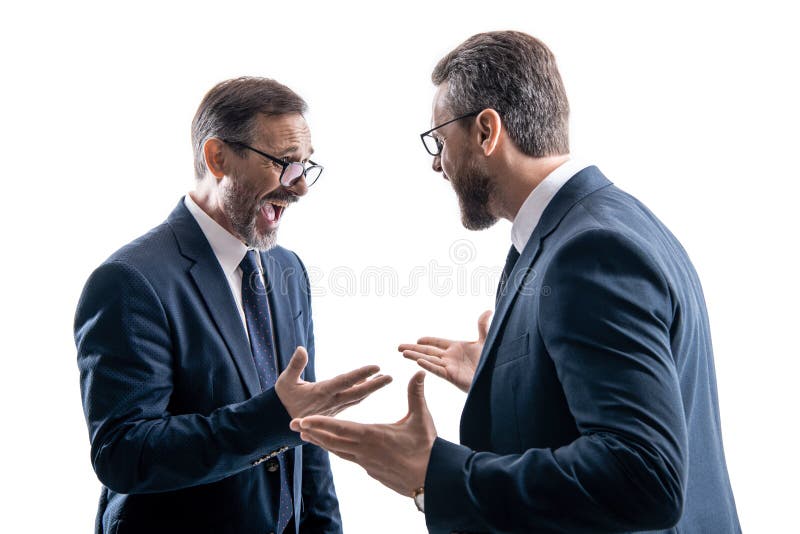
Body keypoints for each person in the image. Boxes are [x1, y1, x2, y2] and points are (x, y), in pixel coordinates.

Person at [291, 31, 741, 533]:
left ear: (487, 131)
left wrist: (433, 474)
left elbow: (642, 477)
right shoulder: (601, 224)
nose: (437, 164)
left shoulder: (591, 250)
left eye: (440, 141)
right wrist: (508, 381)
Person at [74, 77, 392, 534]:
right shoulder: (130, 280)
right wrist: (275, 417)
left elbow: (307, 429)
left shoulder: (287, 269)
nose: (301, 186)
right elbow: (124, 454)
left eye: (305, 165)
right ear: (217, 158)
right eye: (284, 163)